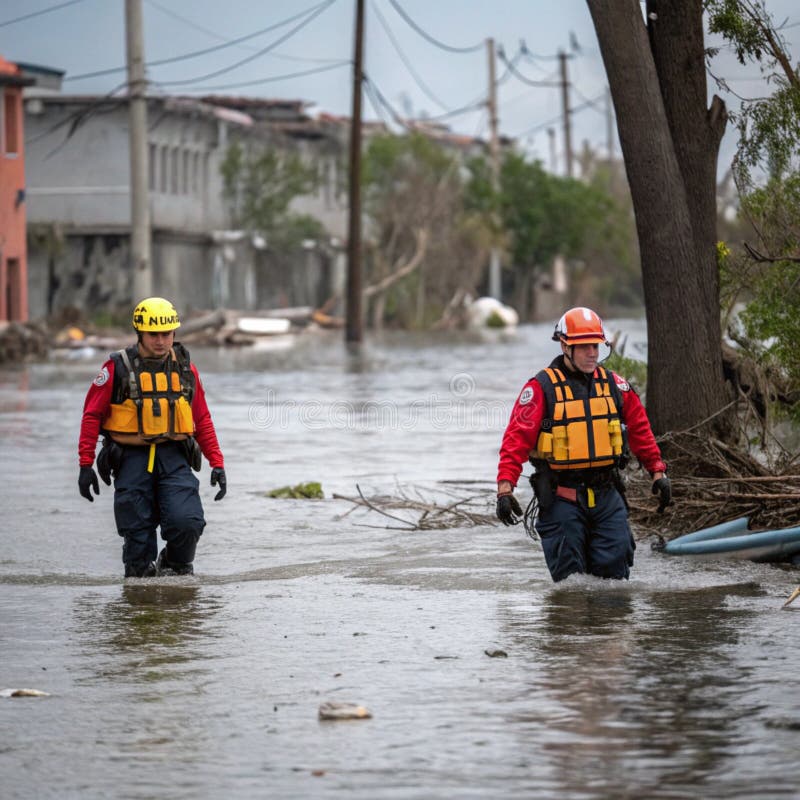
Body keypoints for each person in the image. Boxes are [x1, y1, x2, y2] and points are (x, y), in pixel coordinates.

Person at [496, 306, 671, 582]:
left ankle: (603, 626)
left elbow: (640, 430)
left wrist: (658, 472)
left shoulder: (615, 385)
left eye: (596, 345)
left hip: (606, 494)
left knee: (615, 571)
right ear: (566, 346)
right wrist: (505, 490)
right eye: (584, 346)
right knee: (571, 583)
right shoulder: (541, 388)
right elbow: (515, 440)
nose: (593, 352)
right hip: (561, 498)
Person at [78, 296, 227, 578]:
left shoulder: (186, 370)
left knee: (188, 523)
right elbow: (91, 416)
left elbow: (202, 418)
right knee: (137, 551)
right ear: (140, 334)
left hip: (174, 457)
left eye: (166, 334)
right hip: (130, 459)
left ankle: (173, 564)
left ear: (174, 333)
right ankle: (140, 603)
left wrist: (217, 463)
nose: (160, 341)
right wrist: (85, 465)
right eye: (153, 334)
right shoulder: (115, 369)